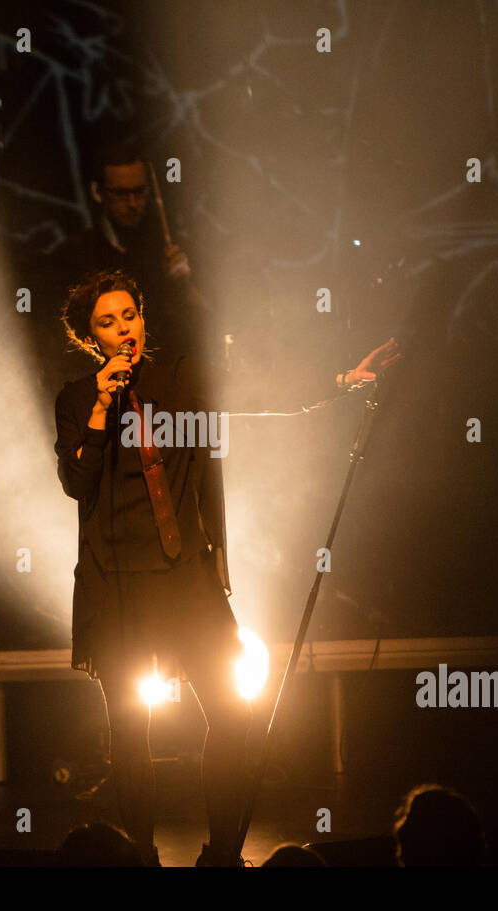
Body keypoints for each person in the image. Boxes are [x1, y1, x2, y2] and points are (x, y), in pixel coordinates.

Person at [53, 269, 402, 866]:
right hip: (117, 583)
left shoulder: (182, 379)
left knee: (233, 713)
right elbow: (75, 481)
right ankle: (139, 856)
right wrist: (103, 405)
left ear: (143, 318)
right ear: (92, 338)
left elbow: (257, 389)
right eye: (106, 323)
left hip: (182, 575)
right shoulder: (80, 397)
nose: (122, 330)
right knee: (130, 731)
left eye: (129, 316)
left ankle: (222, 853)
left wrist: (340, 379)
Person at [60, 141, 210, 362]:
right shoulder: (79, 252)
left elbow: (212, 322)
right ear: (98, 192)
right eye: (120, 194)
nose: (133, 203)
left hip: (170, 366)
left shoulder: (171, 246)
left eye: (140, 192)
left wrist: (184, 285)